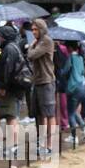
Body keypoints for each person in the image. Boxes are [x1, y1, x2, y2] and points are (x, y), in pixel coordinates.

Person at [0, 26, 25, 158]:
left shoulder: (9, 49)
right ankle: (13, 146)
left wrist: (3, 86)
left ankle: (13, 147)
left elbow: (7, 69)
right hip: (14, 88)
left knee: (11, 118)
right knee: (12, 117)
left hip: (9, 89)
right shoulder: (14, 47)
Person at [27, 19, 57, 157]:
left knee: (49, 114)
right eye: (32, 29)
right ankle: (41, 143)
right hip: (38, 81)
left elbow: (31, 55)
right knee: (38, 114)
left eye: (36, 29)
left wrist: (31, 46)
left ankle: (50, 145)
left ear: (42, 29)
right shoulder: (38, 42)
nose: (33, 32)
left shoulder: (46, 41)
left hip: (46, 81)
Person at [62, 45, 85, 143]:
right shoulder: (80, 58)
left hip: (73, 88)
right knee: (74, 112)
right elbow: (82, 71)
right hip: (82, 88)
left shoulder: (71, 57)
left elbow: (65, 71)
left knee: (70, 113)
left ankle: (73, 137)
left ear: (69, 47)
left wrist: (61, 72)